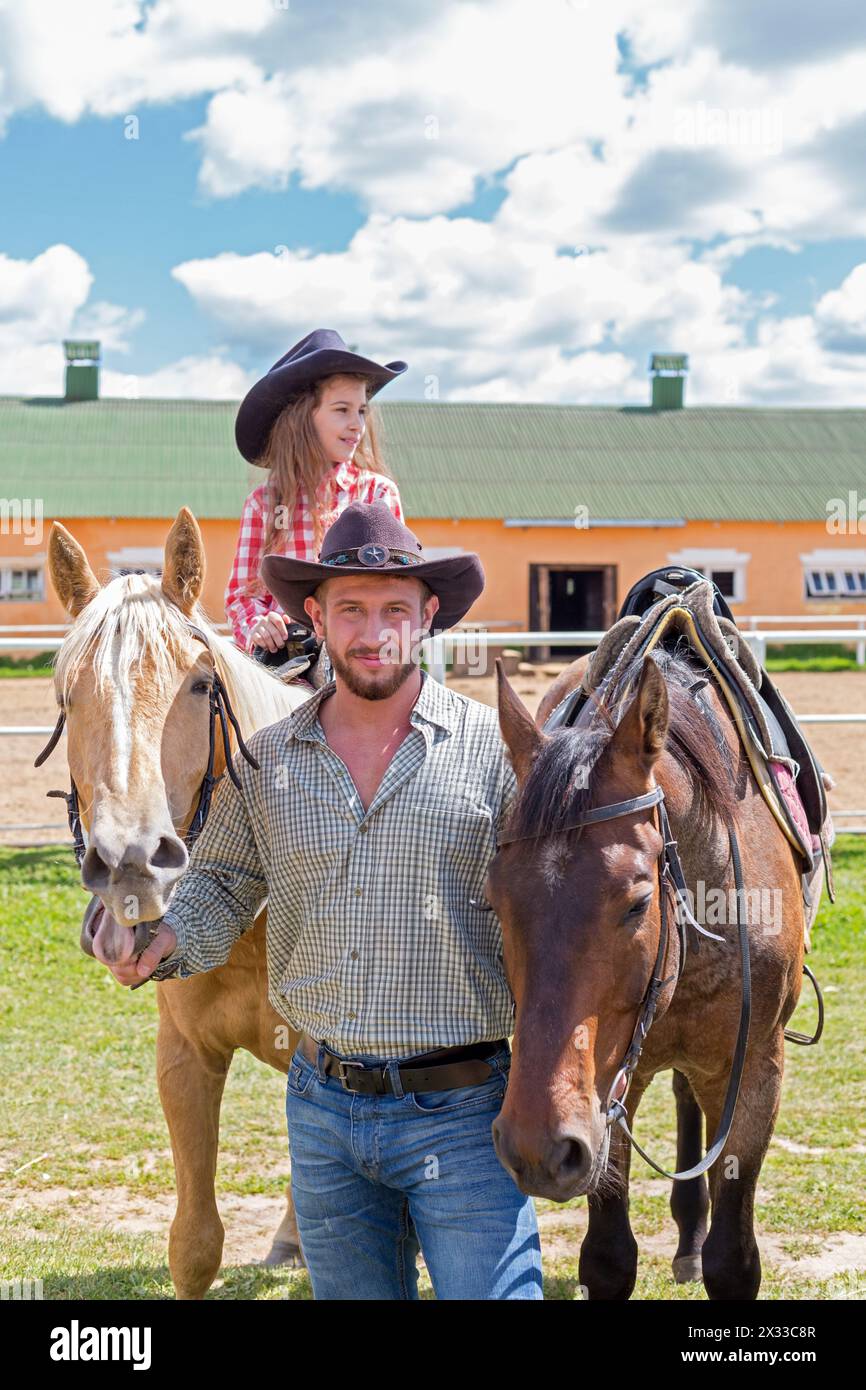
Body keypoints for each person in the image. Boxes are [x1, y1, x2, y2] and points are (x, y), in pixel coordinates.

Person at [103, 501, 543, 1301]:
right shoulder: (267, 761)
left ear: (428, 616)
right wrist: (164, 942)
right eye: (350, 609)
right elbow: (223, 886)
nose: (372, 632)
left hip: (464, 1111)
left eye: (393, 611)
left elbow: (557, 914)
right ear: (315, 616)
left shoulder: (494, 754)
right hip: (325, 1115)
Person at [225, 328, 408, 682]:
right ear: (303, 418)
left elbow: (398, 586)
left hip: (360, 658)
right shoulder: (264, 504)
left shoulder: (377, 495)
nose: (356, 425)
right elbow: (240, 596)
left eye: (361, 411)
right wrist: (258, 627)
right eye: (342, 410)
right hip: (285, 669)